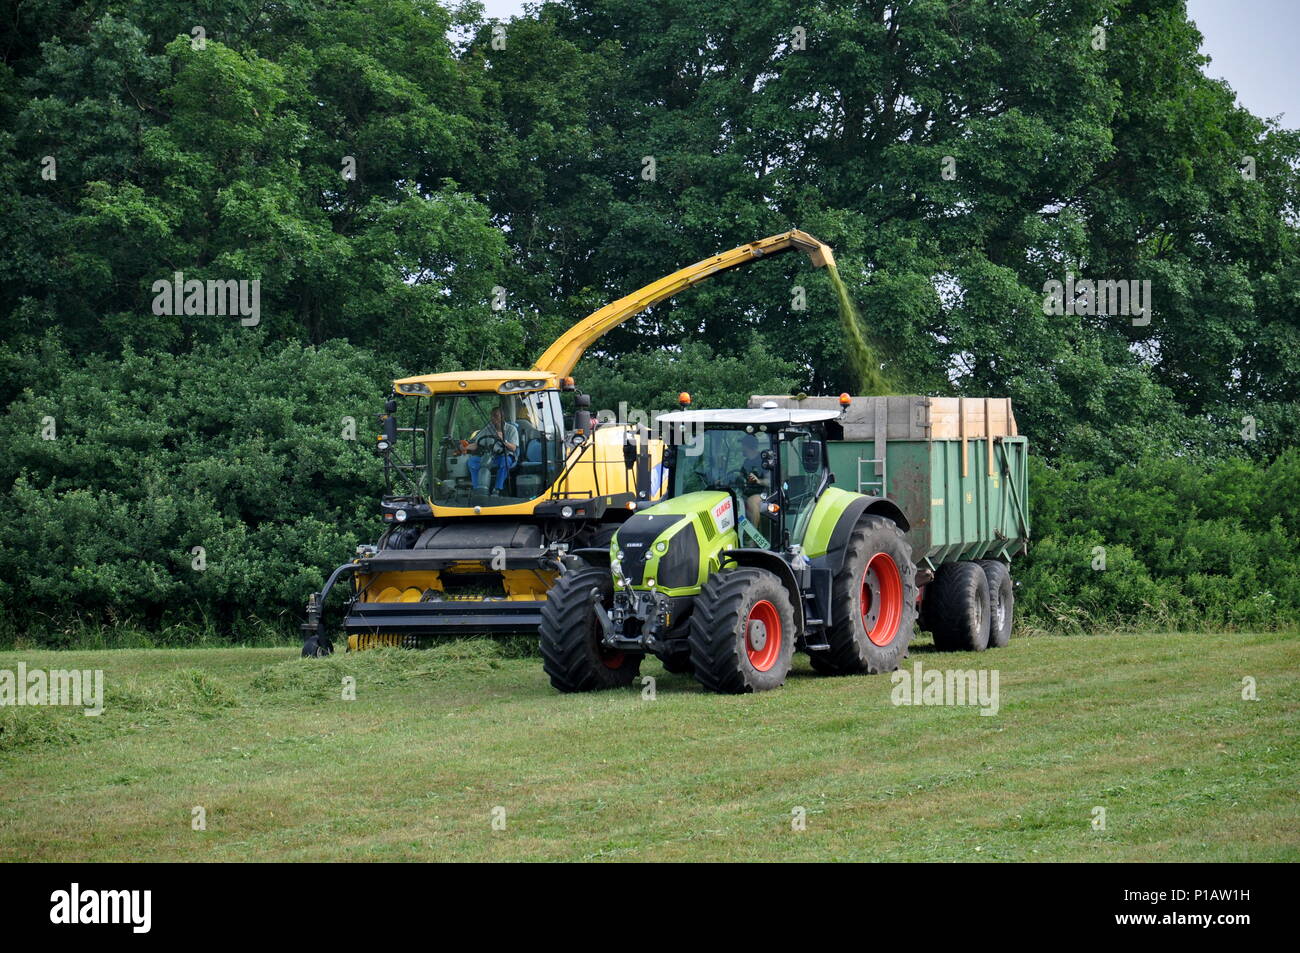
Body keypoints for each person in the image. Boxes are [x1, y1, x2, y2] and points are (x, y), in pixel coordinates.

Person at [465, 406, 519, 494]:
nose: (493, 418)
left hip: (504, 455)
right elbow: (476, 444)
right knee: (472, 461)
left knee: (505, 461)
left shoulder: (511, 429)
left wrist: (504, 440)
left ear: (502, 417)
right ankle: (477, 488)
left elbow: (513, 448)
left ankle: (497, 489)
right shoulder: (488, 428)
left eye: (496, 416)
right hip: (489, 456)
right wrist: (465, 447)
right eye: (492, 416)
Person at [737, 433, 770, 525]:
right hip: (747, 492)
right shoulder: (746, 462)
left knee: (751, 501)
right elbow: (740, 477)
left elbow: (770, 481)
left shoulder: (762, 461)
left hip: (764, 493)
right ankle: (742, 533)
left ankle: (754, 536)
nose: (741, 448)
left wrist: (759, 481)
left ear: (748, 446)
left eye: (742, 445)